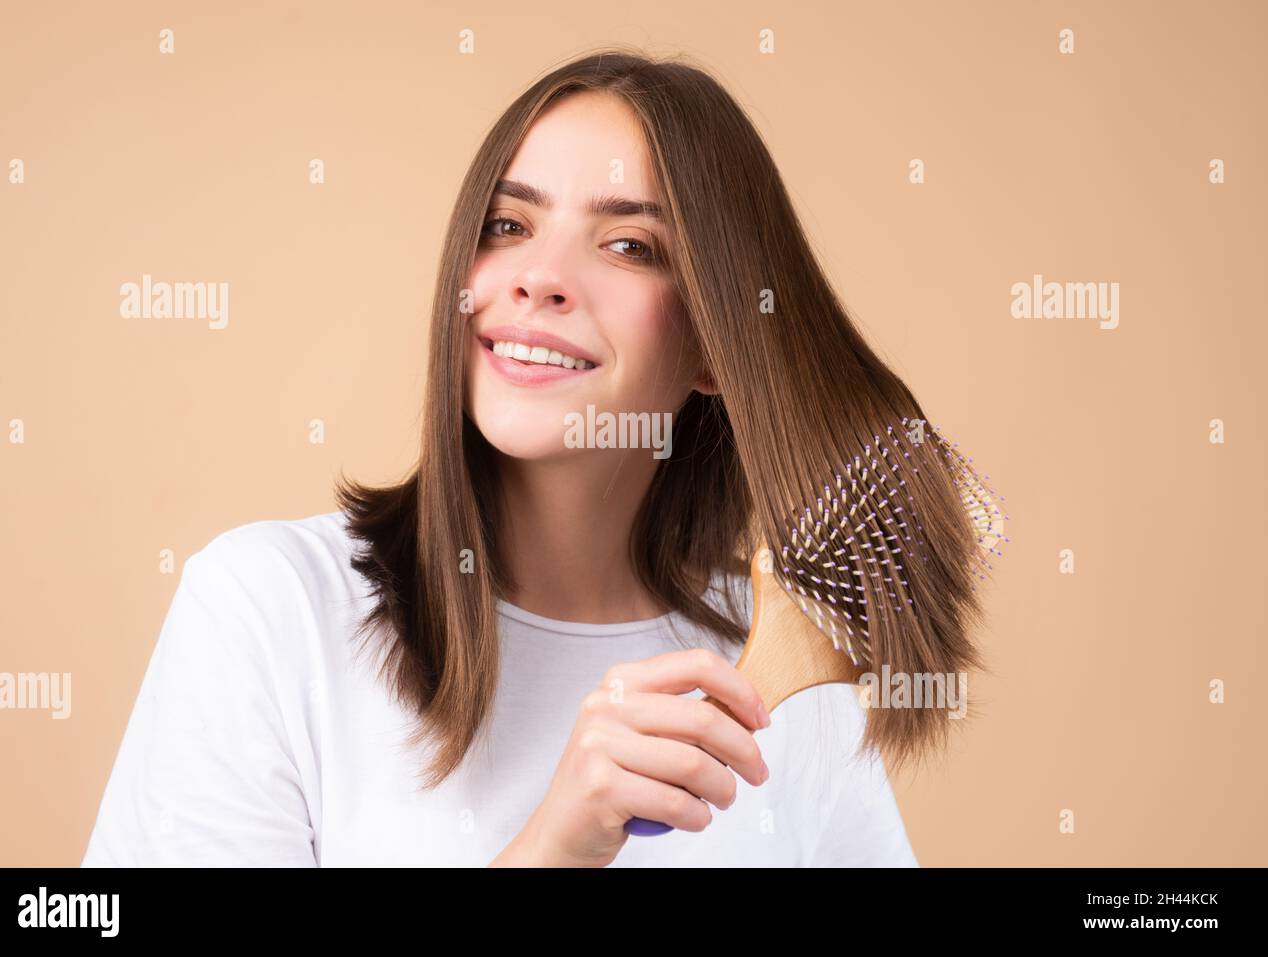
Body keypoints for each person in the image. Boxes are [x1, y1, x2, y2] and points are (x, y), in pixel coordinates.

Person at [83, 48, 982, 867]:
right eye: (509, 225)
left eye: (629, 244)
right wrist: (554, 848)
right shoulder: (270, 611)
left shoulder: (794, 684)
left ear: (715, 342)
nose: (536, 276)